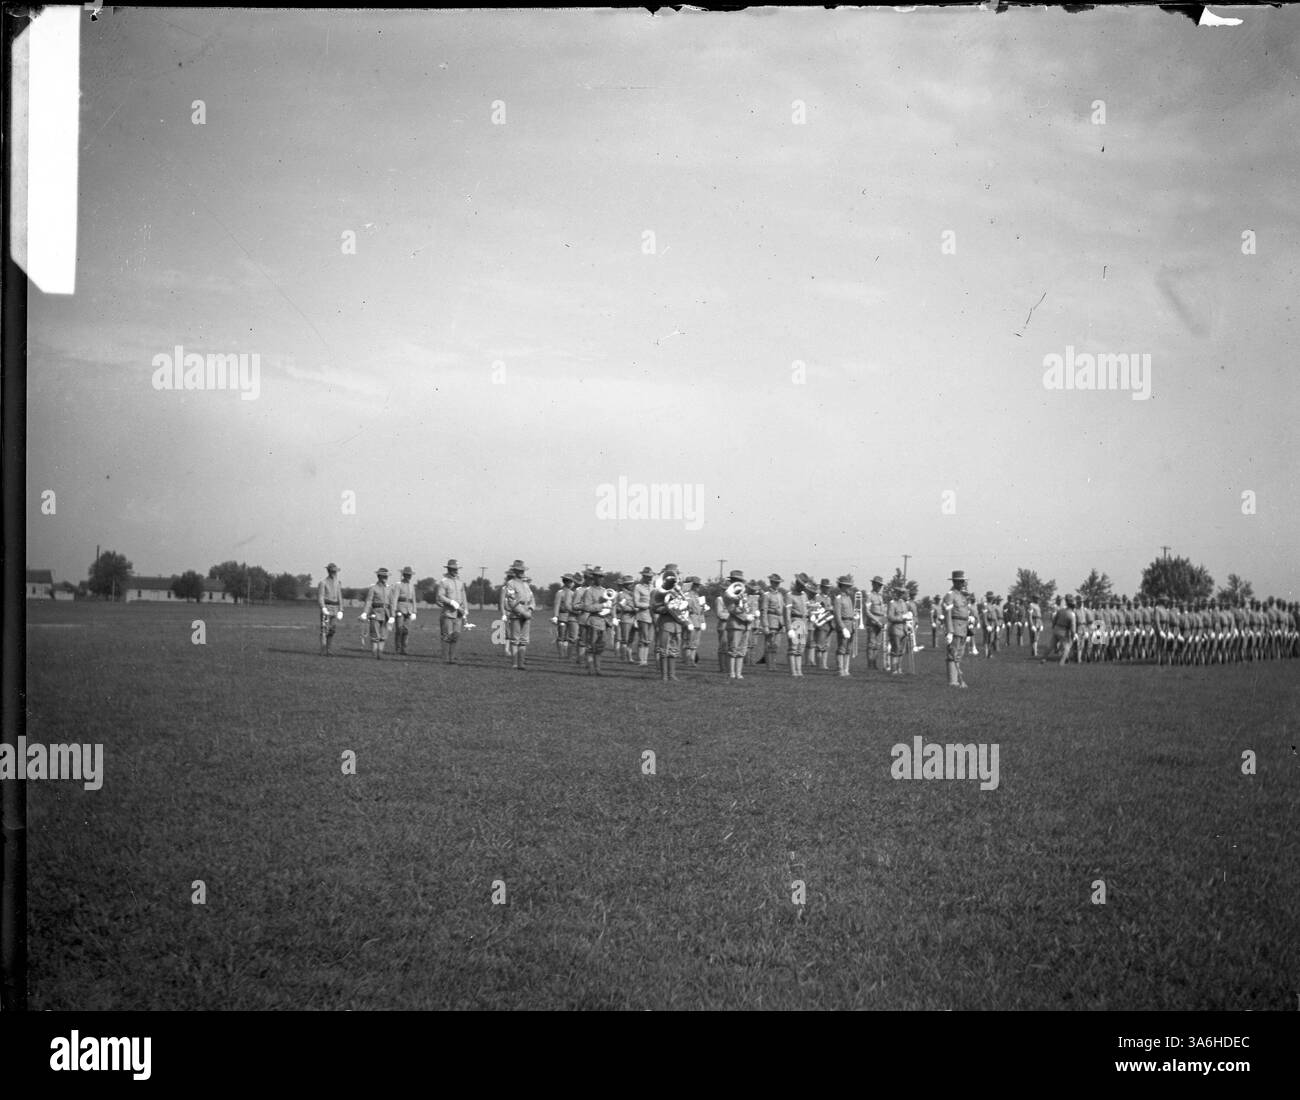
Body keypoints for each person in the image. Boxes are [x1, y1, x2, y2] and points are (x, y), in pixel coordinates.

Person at [500, 560, 535, 670]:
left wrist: (530, 609)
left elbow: (532, 599)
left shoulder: (526, 584)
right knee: (515, 640)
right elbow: (511, 601)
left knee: (524, 640)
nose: (521, 572)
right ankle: (515, 663)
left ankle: (521, 663)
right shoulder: (511, 584)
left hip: (527, 613)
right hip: (516, 614)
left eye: (522, 570)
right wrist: (523, 612)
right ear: (514, 571)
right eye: (519, 570)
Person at [434, 559, 470, 663]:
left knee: (456, 635)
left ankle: (452, 658)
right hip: (448, 613)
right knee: (447, 636)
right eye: (453, 569)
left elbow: (464, 596)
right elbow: (440, 596)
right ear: (449, 569)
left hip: (458, 614)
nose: (455, 571)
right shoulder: (444, 582)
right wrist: (451, 602)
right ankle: (445, 658)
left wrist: (466, 609)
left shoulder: (460, 582)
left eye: (456, 569)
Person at [941, 570, 972, 687]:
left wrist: (969, 628)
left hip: (963, 627)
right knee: (952, 654)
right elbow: (947, 613)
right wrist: (949, 631)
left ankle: (957, 679)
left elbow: (965, 613)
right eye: (959, 581)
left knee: (959, 654)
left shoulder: (962, 596)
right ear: (954, 582)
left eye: (962, 581)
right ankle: (952, 681)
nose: (961, 583)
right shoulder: (950, 595)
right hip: (954, 626)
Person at [360, 567, 395, 659]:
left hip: (386, 614)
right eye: (383, 576)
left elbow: (392, 602)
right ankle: (374, 654)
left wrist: (393, 615)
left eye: (386, 577)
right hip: (375, 613)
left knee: (383, 636)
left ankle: (380, 654)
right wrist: (365, 612)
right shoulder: (373, 588)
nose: (385, 578)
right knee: (375, 635)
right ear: (379, 577)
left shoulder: (389, 589)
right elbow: (369, 601)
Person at [723, 570, 752, 680]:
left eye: (739, 581)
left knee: (742, 650)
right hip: (735, 624)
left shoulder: (743, 594)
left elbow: (747, 607)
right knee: (733, 649)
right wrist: (745, 617)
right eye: (735, 580)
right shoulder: (728, 594)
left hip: (745, 625)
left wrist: (751, 614)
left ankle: (738, 673)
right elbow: (732, 609)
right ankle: (731, 673)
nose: (738, 583)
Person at [785, 573, 812, 677]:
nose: (802, 588)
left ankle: (799, 671)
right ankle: (793, 671)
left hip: (803, 621)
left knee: (800, 648)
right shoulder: (789, 595)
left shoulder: (804, 595)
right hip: (795, 621)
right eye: (801, 585)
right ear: (797, 584)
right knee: (793, 647)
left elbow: (807, 608)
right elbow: (787, 613)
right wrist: (789, 628)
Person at [833, 574, 857, 677]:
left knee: (848, 649)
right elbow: (837, 615)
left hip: (850, 624)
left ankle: (846, 669)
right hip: (843, 625)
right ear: (842, 586)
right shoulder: (838, 598)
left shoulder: (848, 598)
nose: (849, 588)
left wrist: (854, 616)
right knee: (842, 648)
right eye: (846, 586)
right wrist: (843, 628)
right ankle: (840, 669)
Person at [317, 562, 344, 656]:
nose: (334, 573)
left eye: (335, 571)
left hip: (335, 609)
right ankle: (323, 650)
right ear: (328, 571)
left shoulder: (338, 583)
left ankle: (329, 650)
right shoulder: (323, 583)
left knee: (332, 630)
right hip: (327, 608)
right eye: (332, 571)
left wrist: (341, 609)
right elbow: (320, 597)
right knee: (324, 630)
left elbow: (340, 597)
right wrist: (323, 607)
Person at [759, 573, 785, 670]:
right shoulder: (767, 595)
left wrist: (783, 623)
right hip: (770, 621)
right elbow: (764, 610)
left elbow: (782, 609)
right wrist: (765, 625)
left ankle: (774, 663)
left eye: (778, 583)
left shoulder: (780, 595)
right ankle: (769, 665)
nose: (777, 584)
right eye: (775, 582)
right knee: (769, 644)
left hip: (779, 622)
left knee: (776, 644)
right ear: (771, 583)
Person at [391, 566, 419, 656]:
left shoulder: (412, 585)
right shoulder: (398, 585)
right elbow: (395, 598)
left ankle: (404, 649)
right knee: (399, 629)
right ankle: (398, 649)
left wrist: (414, 611)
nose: (408, 576)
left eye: (410, 575)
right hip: (400, 608)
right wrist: (394, 610)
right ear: (404, 575)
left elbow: (414, 599)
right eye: (407, 574)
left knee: (406, 630)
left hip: (409, 609)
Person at [863, 575, 886, 671]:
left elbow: (883, 610)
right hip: (872, 622)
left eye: (881, 585)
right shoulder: (869, 595)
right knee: (871, 644)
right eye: (878, 585)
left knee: (878, 645)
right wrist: (876, 621)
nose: (880, 587)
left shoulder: (880, 596)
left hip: (880, 622)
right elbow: (867, 611)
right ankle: (870, 665)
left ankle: (874, 664)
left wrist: (884, 621)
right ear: (873, 584)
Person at [633, 567, 654, 667]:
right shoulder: (638, 587)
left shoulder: (653, 587)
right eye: (648, 577)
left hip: (652, 615)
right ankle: (642, 660)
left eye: (651, 577)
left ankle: (645, 659)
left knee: (648, 639)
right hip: (643, 615)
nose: (650, 579)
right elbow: (636, 603)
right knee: (643, 638)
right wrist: (647, 605)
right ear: (644, 577)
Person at [552, 573, 577, 659]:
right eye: (571, 582)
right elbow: (557, 605)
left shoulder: (573, 593)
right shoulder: (560, 593)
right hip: (562, 617)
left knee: (570, 637)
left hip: (571, 617)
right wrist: (555, 616)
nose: (572, 583)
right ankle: (561, 654)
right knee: (561, 636)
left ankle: (568, 654)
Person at [886, 590, 911, 674]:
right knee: (895, 649)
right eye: (899, 593)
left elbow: (907, 615)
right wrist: (902, 617)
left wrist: (908, 621)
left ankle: (899, 668)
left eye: (902, 593)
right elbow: (890, 617)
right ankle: (894, 669)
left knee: (901, 650)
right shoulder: (892, 603)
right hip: (895, 629)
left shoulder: (903, 603)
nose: (900, 595)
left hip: (904, 629)